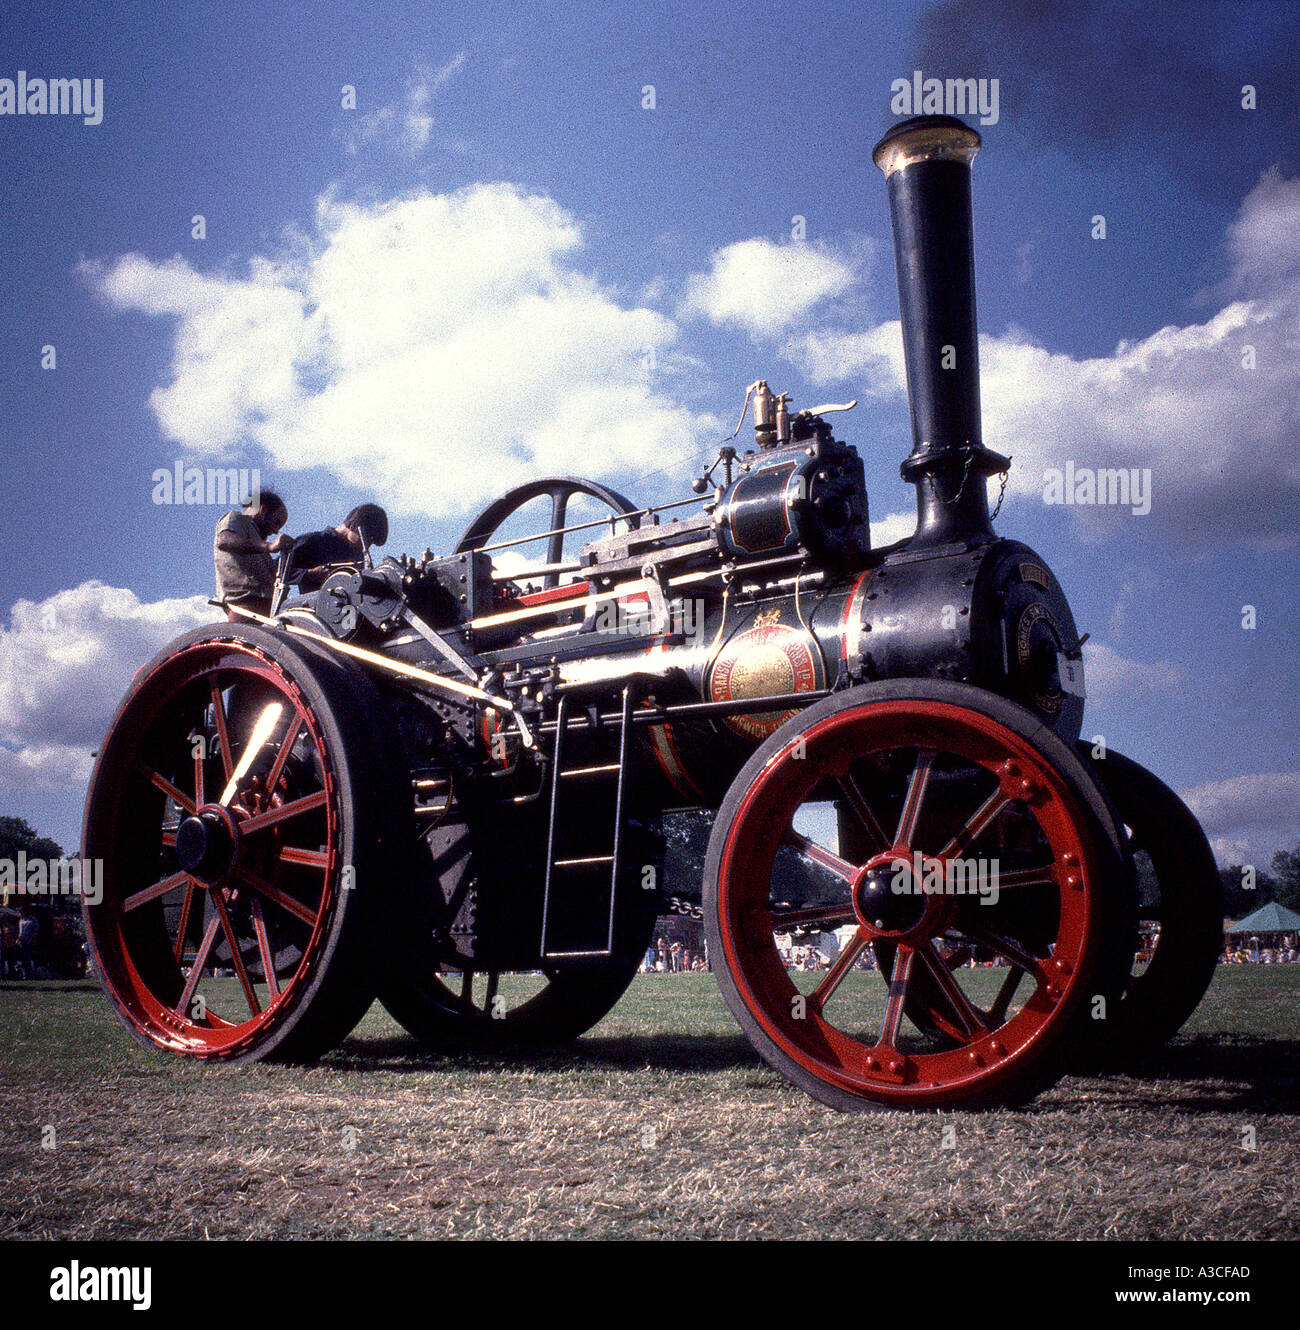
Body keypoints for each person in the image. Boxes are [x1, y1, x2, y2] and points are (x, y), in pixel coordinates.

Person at [214, 491, 290, 620]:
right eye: (276, 522)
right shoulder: (237, 518)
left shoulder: (257, 543)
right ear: (262, 509)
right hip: (246, 607)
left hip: (267, 609)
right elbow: (224, 540)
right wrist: (269, 546)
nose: (276, 531)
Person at [287, 504, 389, 591]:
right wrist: (308, 574)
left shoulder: (358, 556)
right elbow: (276, 571)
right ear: (352, 527)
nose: (366, 546)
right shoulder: (313, 541)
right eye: (366, 539)